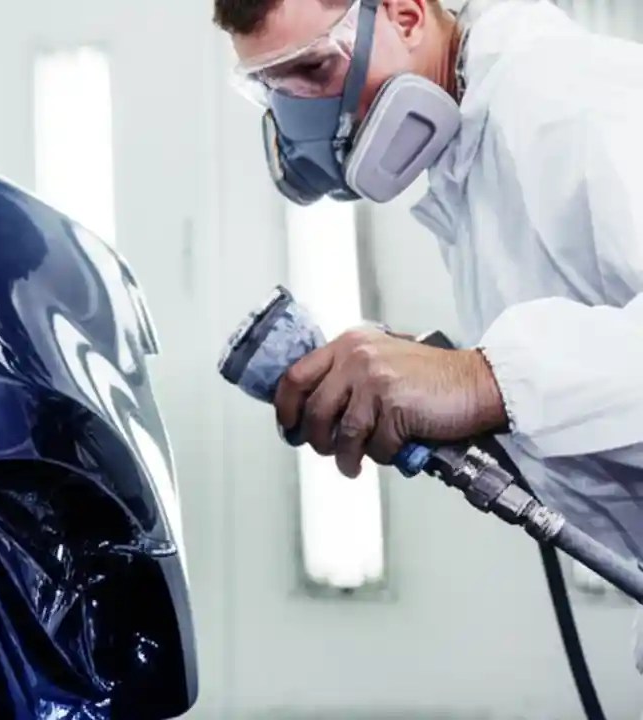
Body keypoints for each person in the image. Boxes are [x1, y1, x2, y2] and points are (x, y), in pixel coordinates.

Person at [214, 0, 643, 671]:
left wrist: (481, 379)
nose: (297, 113)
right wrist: (462, 390)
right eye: (272, 86)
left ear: (407, 16)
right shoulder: (474, 163)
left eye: (313, 69)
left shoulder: (569, 98)